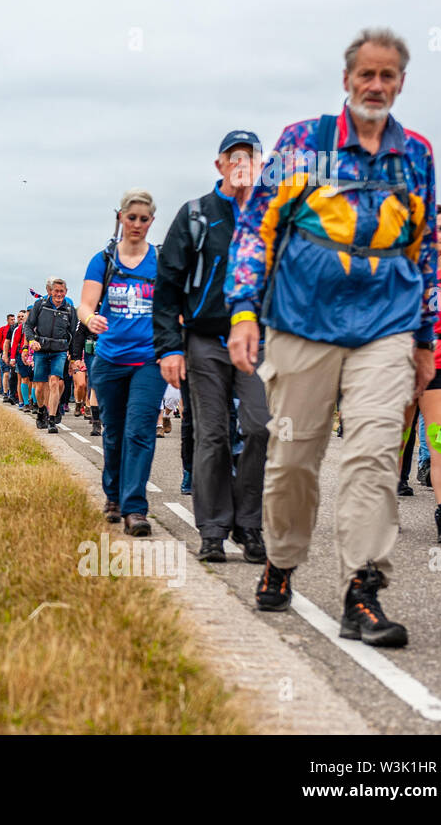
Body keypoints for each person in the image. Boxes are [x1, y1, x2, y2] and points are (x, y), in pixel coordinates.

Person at [226, 28, 437, 648]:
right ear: (347, 80)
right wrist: (243, 312)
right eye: (366, 75)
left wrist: (424, 337)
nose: (376, 85)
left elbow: (422, 250)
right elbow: (255, 229)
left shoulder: (415, 154)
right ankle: (282, 559)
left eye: (388, 76)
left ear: (400, 83)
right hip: (302, 324)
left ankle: (361, 591)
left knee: (373, 455)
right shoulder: (303, 145)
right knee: (294, 459)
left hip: (386, 327)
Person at [155, 130, 271, 564]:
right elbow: (167, 287)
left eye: (250, 158)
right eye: (234, 157)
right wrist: (169, 347)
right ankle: (213, 529)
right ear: (220, 165)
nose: (242, 165)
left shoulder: (268, 217)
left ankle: (250, 524)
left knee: (259, 427)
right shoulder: (196, 215)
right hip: (203, 340)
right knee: (213, 434)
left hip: (255, 343)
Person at [79, 191, 167, 535]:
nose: (137, 225)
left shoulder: (159, 262)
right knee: (114, 433)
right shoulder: (103, 260)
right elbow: (86, 304)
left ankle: (135, 509)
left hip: (149, 360)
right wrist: (90, 321)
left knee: (141, 432)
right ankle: (113, 496)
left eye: (144, 220)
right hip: (110, 359)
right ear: (120, 217)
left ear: (151, 222)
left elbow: (171, 307)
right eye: (132, 218)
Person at [399, 205, 441, 540]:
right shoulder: (405, 268)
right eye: (439, 228)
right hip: (404, 362)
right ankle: (383, 507)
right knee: (397, 438)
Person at [24, 277, 77, 433]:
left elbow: (74, 334)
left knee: (54, 382)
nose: (59, 294)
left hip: (59, 351)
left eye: (62, 291)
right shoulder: (40, 305)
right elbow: (28, 326)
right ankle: (41, 410)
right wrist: (32, 340)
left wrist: (73, 358)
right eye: (56, 291)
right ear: (50, 291)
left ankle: (52, 419)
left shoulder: (69, 309)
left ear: (66, 292)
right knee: (39, 387)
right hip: (41, 351)